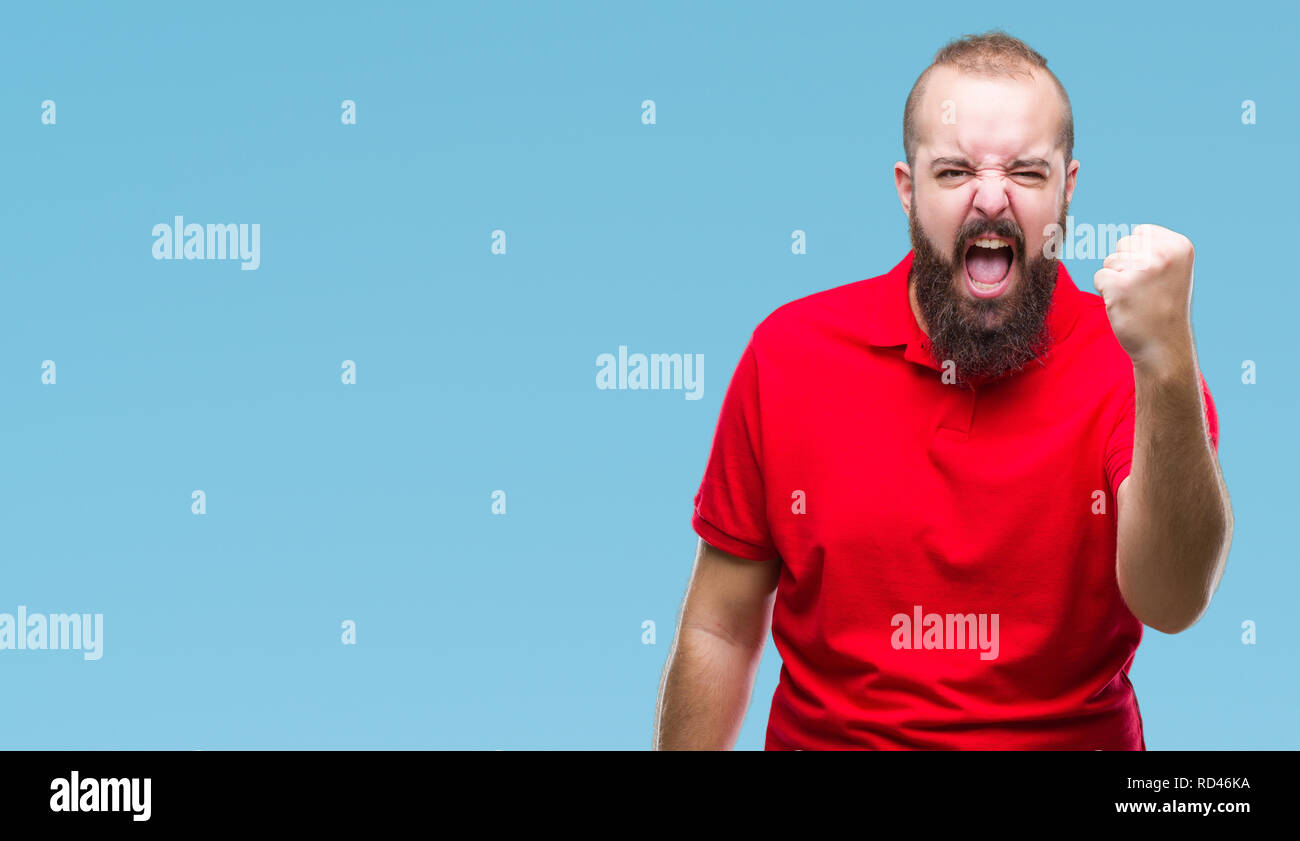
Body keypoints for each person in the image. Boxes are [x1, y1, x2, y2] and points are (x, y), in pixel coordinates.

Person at [653, 30, 1232, 750]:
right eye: (955, 172)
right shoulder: (789, 354)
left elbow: (1172, 600)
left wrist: (1168, 362)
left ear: (1068, 188)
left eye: (1024, 172)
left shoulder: (1135, 366)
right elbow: (720, 627)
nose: (990, 200)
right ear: (908, 189)